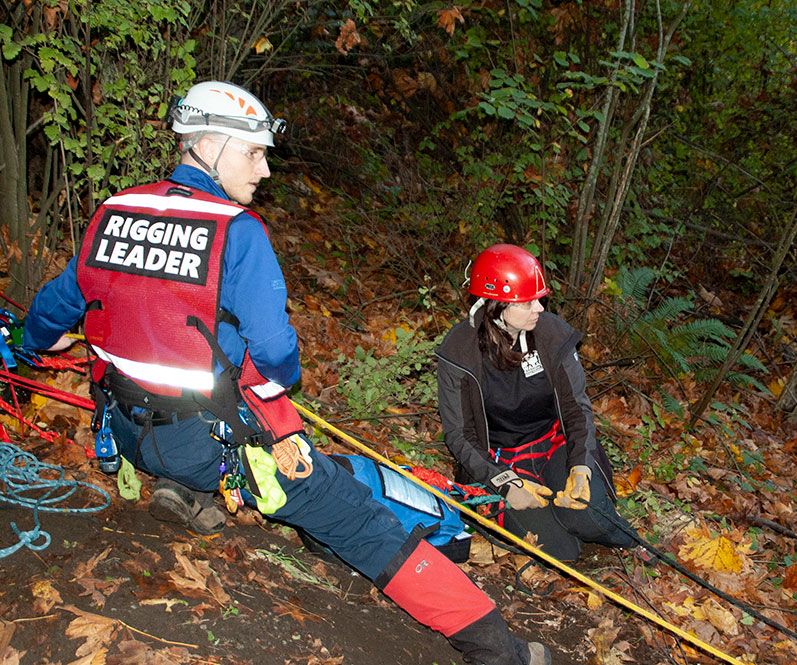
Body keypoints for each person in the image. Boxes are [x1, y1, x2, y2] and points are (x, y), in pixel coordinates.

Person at [21, 82, 550, 665]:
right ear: (211, 145)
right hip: (203, 445)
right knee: (355, 513)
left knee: (222, 403)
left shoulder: (115, 211)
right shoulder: (236, 232)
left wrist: (22, 351)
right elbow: (276, 356)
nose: (265, 169)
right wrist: (274, 404)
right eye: (254, 152)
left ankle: (189, 495)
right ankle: (498, 647)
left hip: (124, 435)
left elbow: (52, 310)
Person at [435, 244, 637, 562]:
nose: (539, 308)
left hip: (555, 446)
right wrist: (506, 483)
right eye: (528, 302)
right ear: (495, 305)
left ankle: (625, 541)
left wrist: (580, 468)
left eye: (539, 299)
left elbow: (576, 408)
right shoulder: (459, 352)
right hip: (498, 461)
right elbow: (459, 435)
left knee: (592, 520)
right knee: (560, 551)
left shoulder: (552, 336)